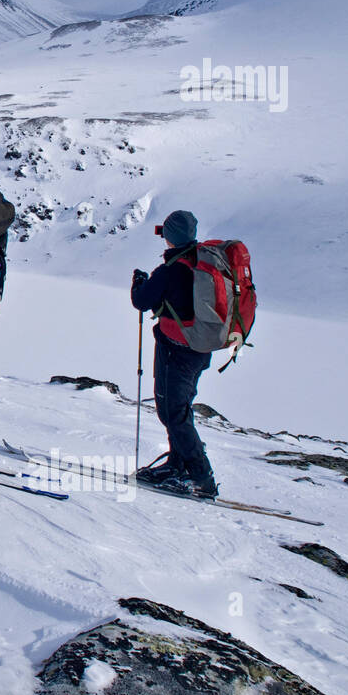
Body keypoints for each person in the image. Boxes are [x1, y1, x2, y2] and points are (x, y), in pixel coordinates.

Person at [130, 210, 219, 497]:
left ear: (170, 237)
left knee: (172, 412)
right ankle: (177, 464)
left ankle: (200, 475)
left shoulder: (170, 271)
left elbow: (142, 301)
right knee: (180, 408)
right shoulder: (201, 263)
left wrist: (138, 283)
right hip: (199, 349)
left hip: (175, 350)